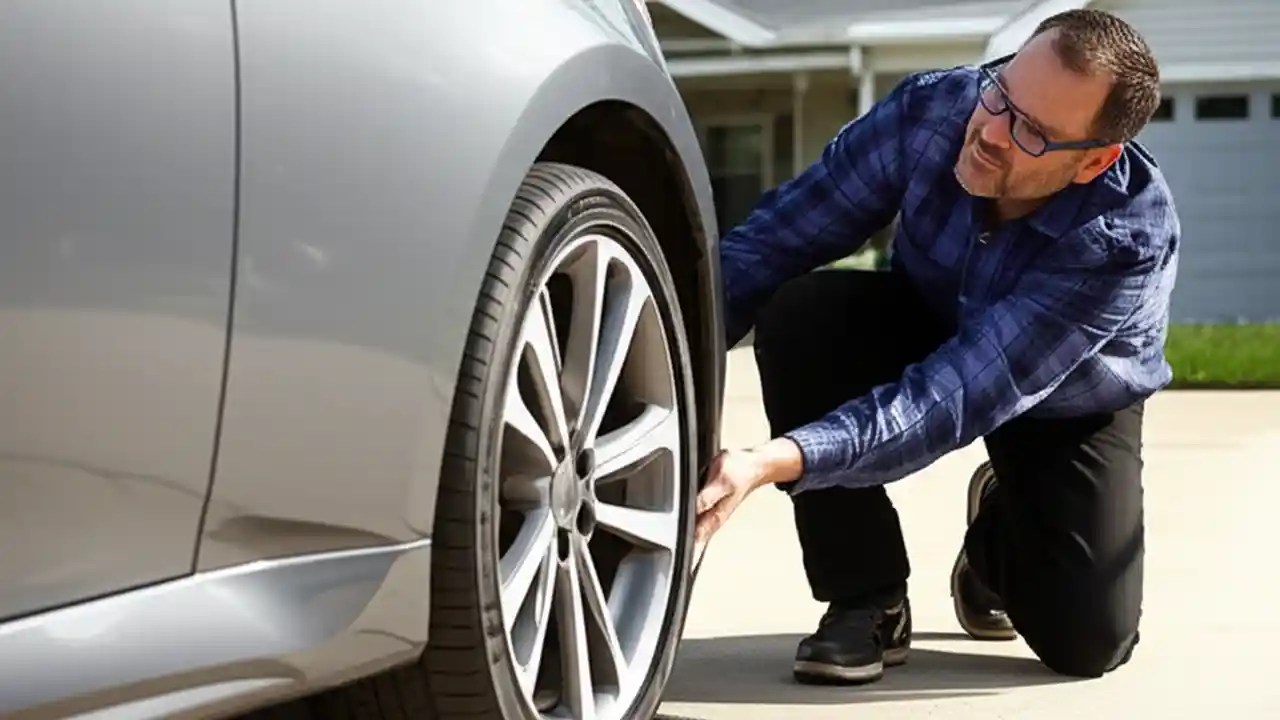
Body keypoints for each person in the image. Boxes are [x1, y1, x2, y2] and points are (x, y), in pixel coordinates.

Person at [693, 9, 1179, 685]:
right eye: (1002, 93)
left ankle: (997, 538)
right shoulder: (934, 111)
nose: (993, 132)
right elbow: (774, 242)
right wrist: (651, 351)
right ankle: (866, 595)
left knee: (1088, 642)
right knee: (801, 315)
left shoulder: (1123, 238)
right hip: (930, 308)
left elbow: (952, 397)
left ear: (1093, 161)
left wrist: (780, 458)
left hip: (1065, 398)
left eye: (1034, 132)